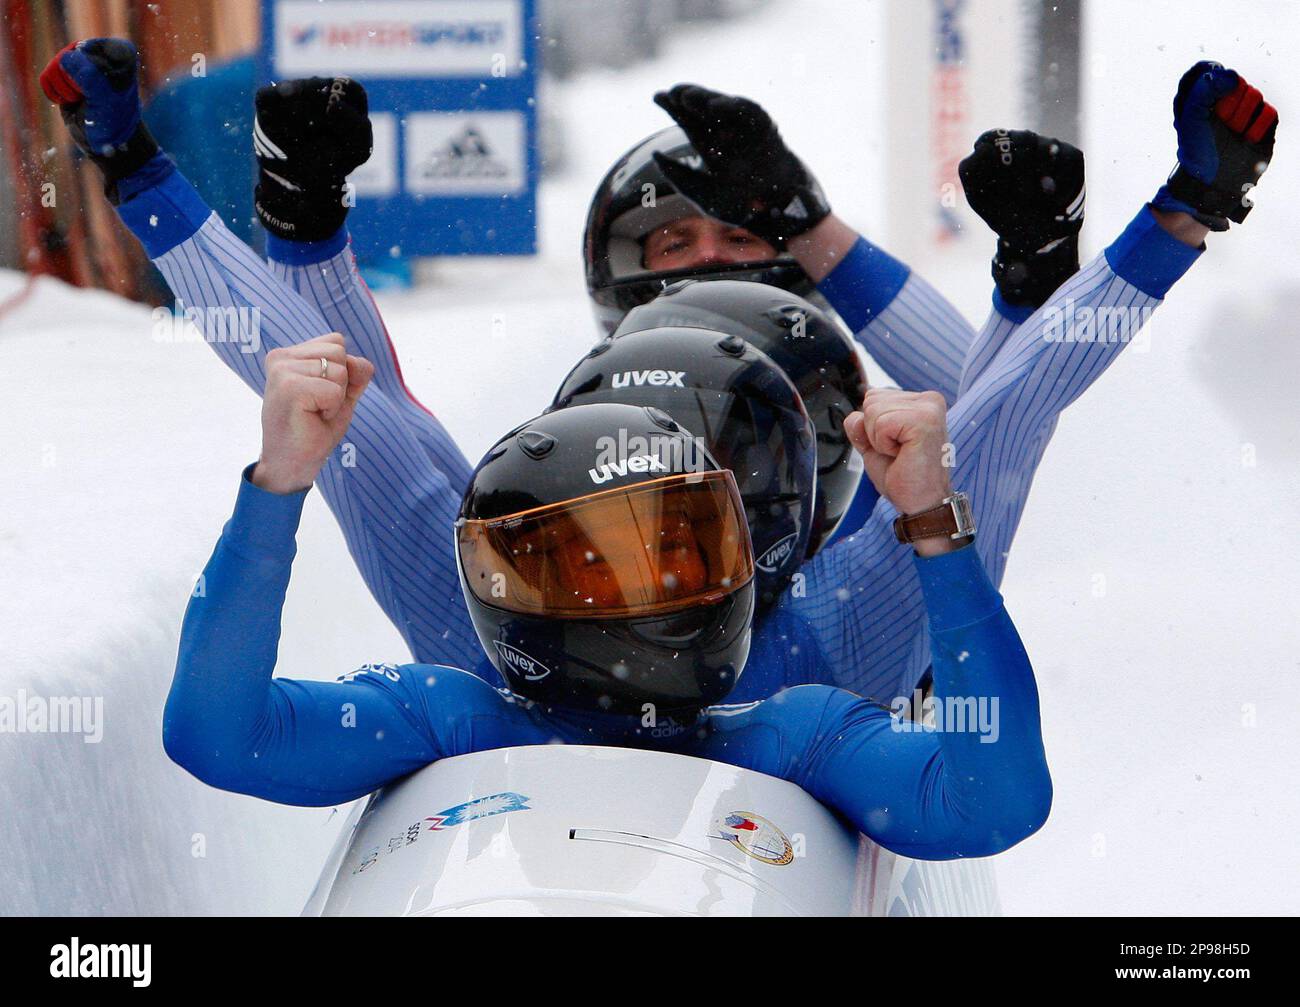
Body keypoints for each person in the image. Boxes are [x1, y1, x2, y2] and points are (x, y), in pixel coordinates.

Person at [40, 41, 1276, 701]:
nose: (638, 581)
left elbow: (996, 411)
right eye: (598, 540)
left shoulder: (844, 607)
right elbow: (344, 396)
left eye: (686, 531)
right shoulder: (833, 625)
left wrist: (1067, 265)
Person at [161, 335, 1052, 861]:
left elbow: (997, 798)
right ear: (509, 587)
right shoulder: (446, 716)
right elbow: (217, 732)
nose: (643, 591)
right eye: (593, 567)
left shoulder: (799, 735)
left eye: (674, 552)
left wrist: (934, 524)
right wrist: (278, 485)